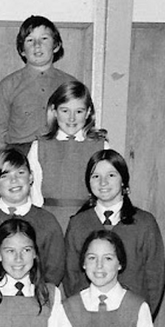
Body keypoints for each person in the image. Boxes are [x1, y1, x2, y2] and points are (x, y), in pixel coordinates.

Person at [64, 150, 165, 317]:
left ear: (123, 180)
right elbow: (71, 276)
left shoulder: (144, 223)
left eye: (111, 175)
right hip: (87, 316)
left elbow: (155, 277)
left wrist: (141, 318)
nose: (103, 182)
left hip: (131, 316)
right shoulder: (78, 223)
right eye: (95, 176)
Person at [0, 148, 66, 286]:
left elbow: (55, 269)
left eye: (20, 173)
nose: (14, 180)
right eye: (5, 176)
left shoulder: (47, 221)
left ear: (31, 177)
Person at [0, 15, 77, 154]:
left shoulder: (71, 85)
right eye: (30, 40)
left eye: (44, 39)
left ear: (56, 45)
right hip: (20, 156)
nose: (37, 45)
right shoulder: (9, 85)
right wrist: (9, 161)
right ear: (22, 50)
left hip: (61, 154)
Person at [29, 80, 111, 227]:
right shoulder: (40, 147)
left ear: (88, 113)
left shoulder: (101, 146)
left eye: (78, 111)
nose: (71, 118)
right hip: (50, 221)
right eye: (65, 111)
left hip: (89, 220)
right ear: (54, 111)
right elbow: (34, 192)